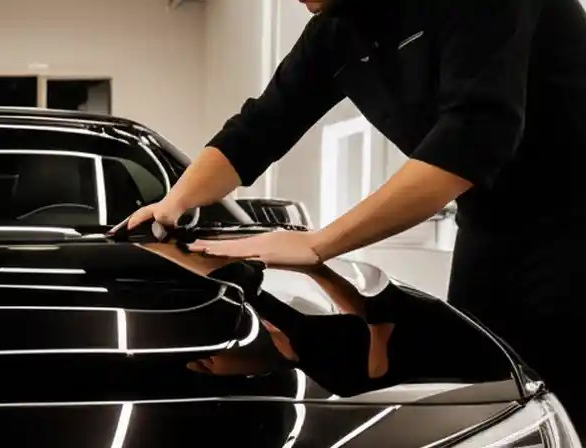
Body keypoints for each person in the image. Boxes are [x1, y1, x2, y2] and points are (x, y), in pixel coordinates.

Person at [123, 0, 586, 425]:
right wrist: (175, 202)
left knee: (561, 398)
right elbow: (260, 126)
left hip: (574, 213)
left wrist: (319, 244)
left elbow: (474, 134)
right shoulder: (334, 29)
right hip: (491, 219)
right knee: (489, 391)